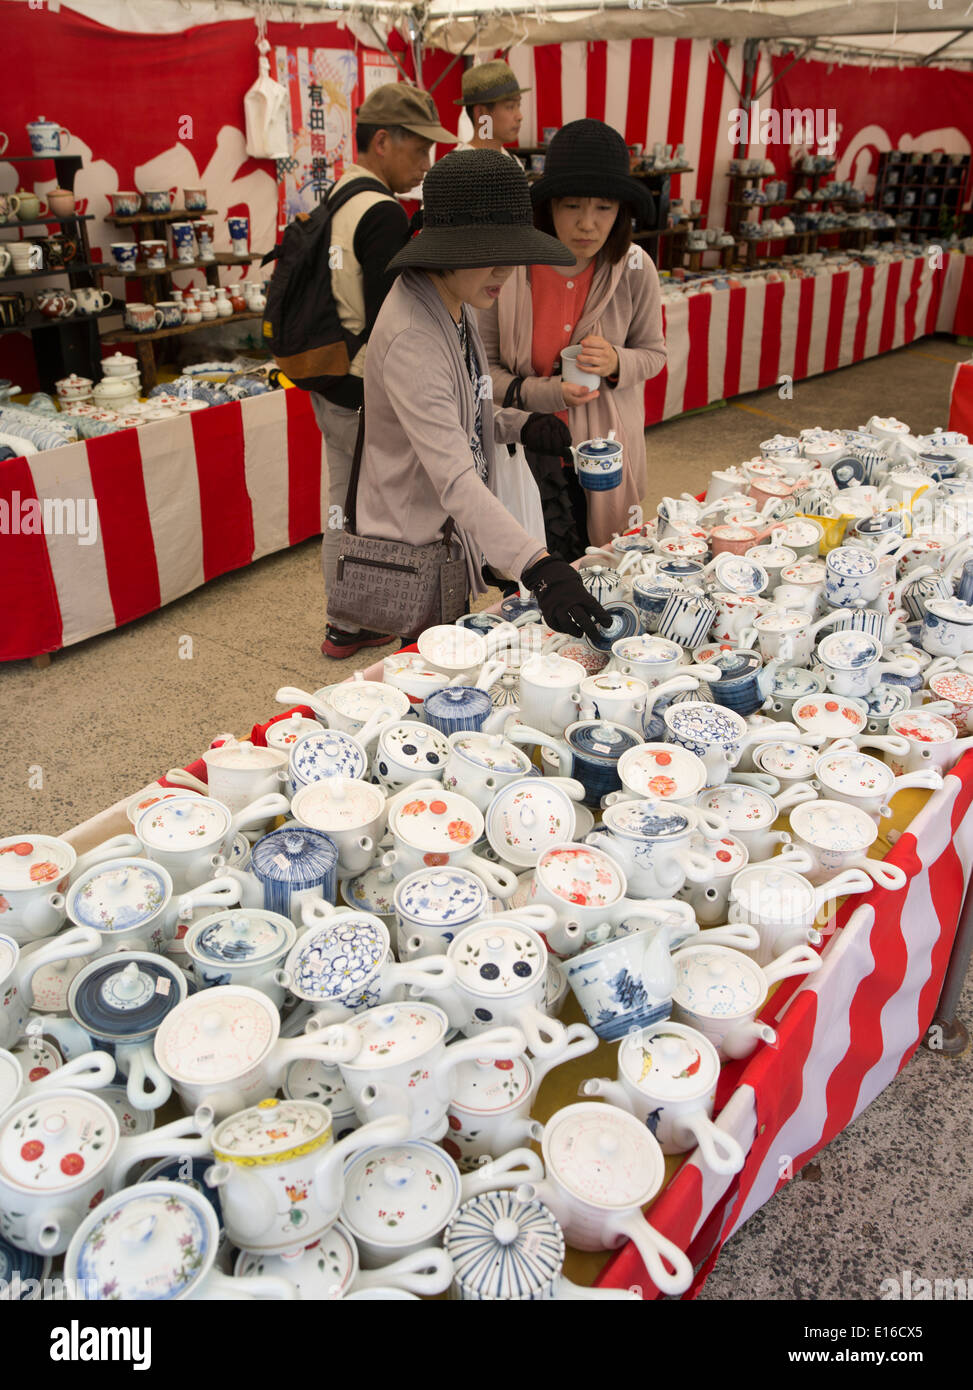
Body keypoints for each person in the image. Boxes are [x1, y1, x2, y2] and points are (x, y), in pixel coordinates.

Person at [344, 149, 611, 644]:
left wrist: (518, 424)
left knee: (450, 643)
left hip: (447, 530)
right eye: (491, 253)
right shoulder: (413, 336)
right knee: (431, 660)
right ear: (448, 251)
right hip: (415, 535)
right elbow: (454, 479)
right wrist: (539, 566)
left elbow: (464, 402)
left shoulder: (451, 298)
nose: (506, 271)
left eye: (513, 253)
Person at [313, 83, 457, 659]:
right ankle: (350, 620)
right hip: (360, 384)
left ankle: (350, 616)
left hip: (330, 375)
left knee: (341, 494)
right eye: (419, 150)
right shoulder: (381, 213)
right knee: (365, 504)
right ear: (382, 140)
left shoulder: (341, 192)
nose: (425, 164)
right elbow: (391, 318)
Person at [478, 118, 667, 554]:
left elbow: (654, 354)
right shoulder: (510, 270)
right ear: (549, 207)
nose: (587, 224)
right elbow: (482, 373)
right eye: (571, 206)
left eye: (604, 207)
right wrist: (549, 393)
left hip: (605, 452)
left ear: (621, 210)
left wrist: (618, 361)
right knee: (530, 575)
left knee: (605, 565)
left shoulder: (634, 268)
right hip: (526, 449)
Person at [452, 60, 527, 154]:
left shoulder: (514, 163)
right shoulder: (455, 166)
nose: (519, 116)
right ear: (480, 113)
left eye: (518, 106)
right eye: (510, 107)